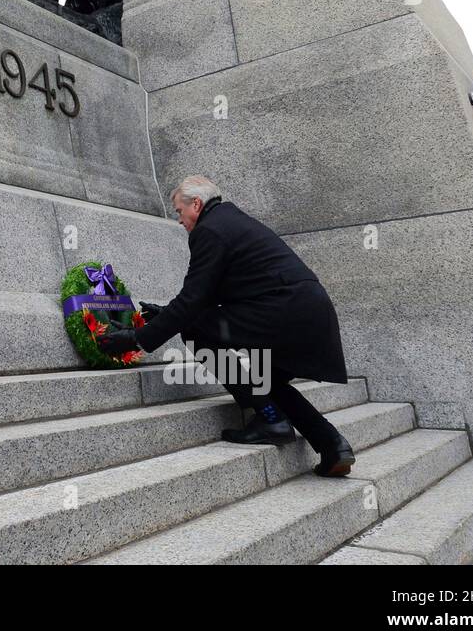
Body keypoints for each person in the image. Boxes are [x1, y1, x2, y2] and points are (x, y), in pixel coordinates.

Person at [97, 176, 356, 477]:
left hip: (286, 311)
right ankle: (333, 445)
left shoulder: (209, 231)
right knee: (266, 380)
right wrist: (167, 312)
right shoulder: (229, 222)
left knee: (196, 330)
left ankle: (270, 419)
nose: (179, 221)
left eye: (179, 212)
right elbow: (209, 293)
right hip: (307, 312)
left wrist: (136, 339)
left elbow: (194, 301)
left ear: (196, 204)